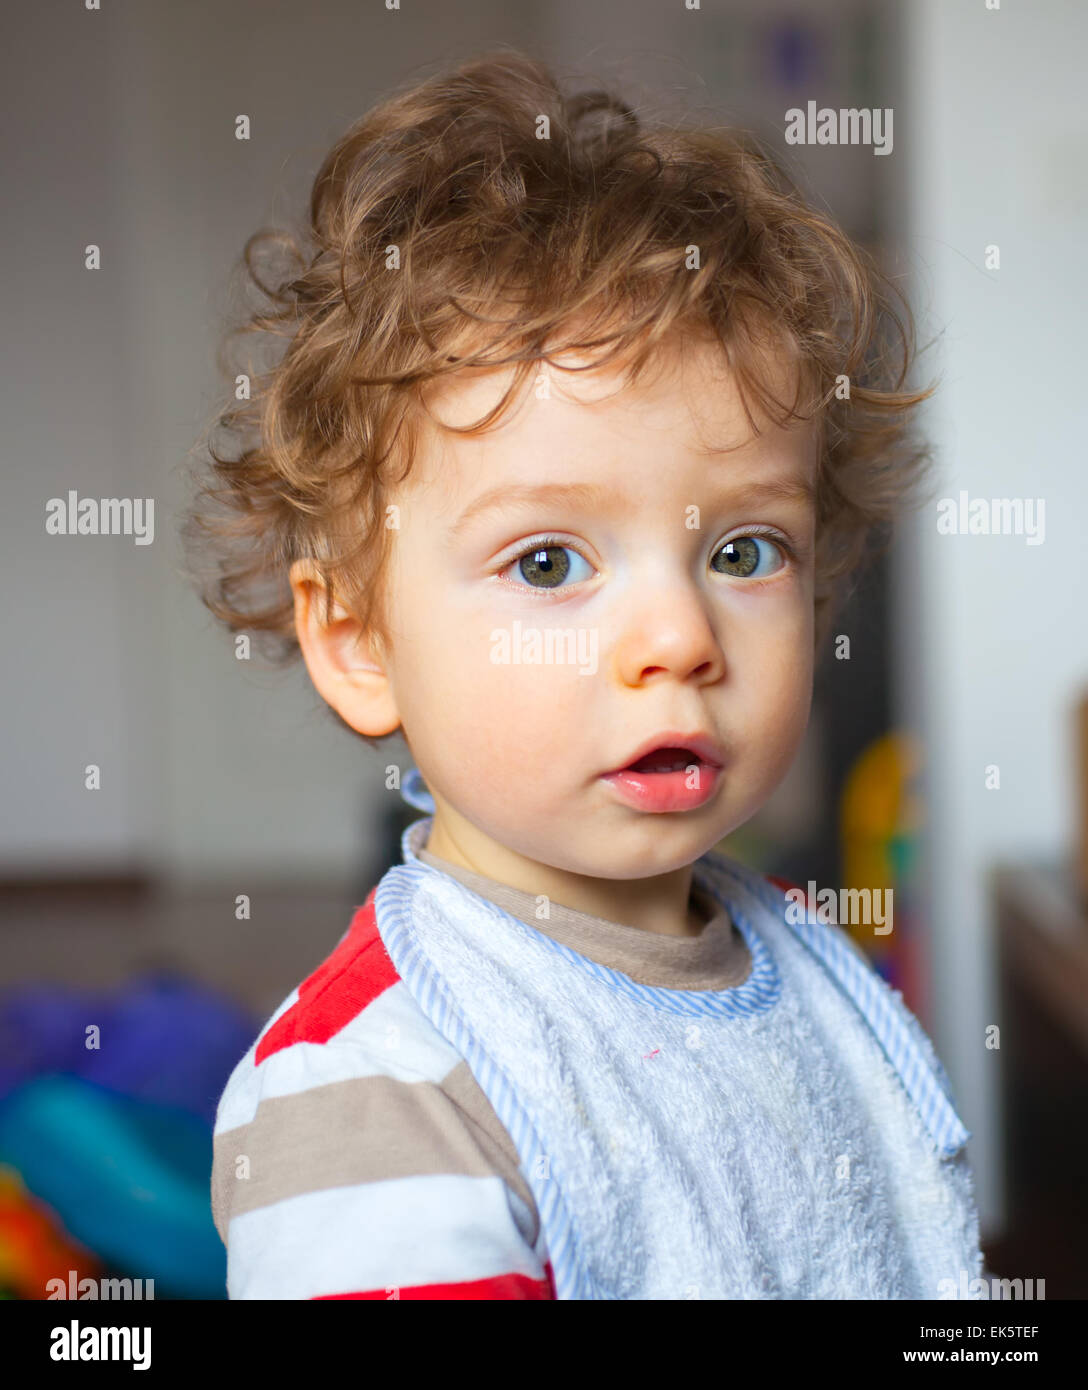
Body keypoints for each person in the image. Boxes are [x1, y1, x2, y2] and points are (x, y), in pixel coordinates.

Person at [185, 48, 982, 1300]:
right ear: (356, 642)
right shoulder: (380, 1097)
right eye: (548, 561)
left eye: (740, 549)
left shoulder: (818, 969)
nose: (678, 636)